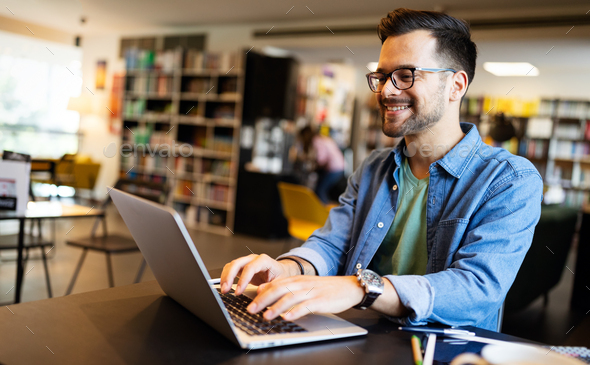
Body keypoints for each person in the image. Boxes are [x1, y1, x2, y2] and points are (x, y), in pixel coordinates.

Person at [220, 8, 543, 331]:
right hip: (362, 337)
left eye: (406, 75)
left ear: (455, 86)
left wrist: (361, 288)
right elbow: (334, 244)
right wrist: (290, 268)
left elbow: (476, 289)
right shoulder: (375, 166)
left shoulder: (509, 180)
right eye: (382, 76)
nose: (386, 90)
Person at [297, 126, 345, 203]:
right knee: (321, 188)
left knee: (320, 190)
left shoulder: (316, 141)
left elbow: (321, 159)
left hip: (334, 168)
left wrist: (313, 166)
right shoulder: (321, 138)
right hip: (339, 167)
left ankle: (325, 213)